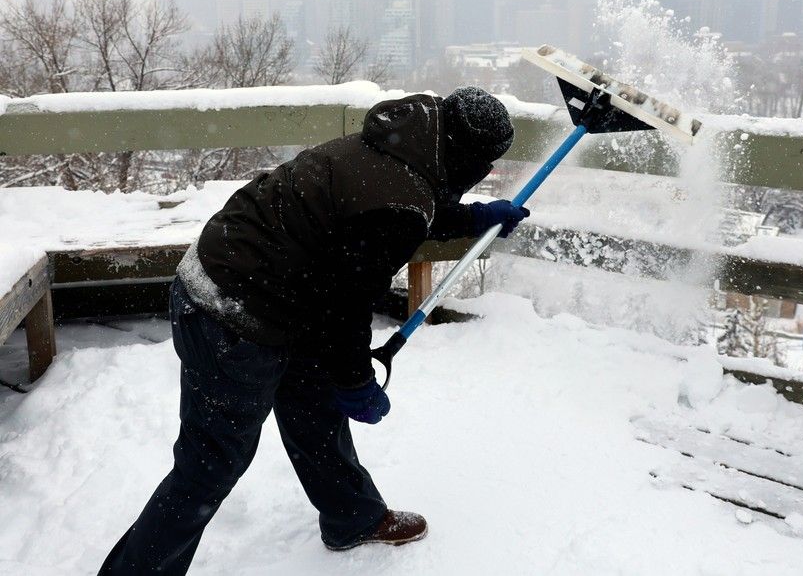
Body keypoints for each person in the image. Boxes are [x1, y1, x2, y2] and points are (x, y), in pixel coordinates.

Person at [100, 87, 529, 575]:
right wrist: (356, 382)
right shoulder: (397, 196)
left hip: (263, 285)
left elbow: (397, 207)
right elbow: (344, 309)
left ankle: (352, 517)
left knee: (313, 401)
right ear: (467, 155)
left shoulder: (404, 139)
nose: (486, 174)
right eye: (486, 164)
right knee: (210, 464)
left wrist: (474, 217)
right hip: (232, 310)